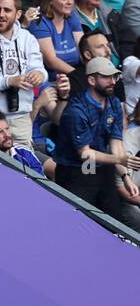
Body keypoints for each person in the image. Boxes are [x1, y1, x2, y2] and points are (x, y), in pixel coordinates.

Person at [52, 56, 140, 216]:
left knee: (113, 216)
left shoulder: (114, 103)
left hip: (101, 165)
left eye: (114, 77)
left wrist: (126, 176)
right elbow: (86, 154)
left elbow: (116, 146)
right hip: (75, 169)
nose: (112, 81)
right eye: (106, 77)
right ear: (92, 80)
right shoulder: (76, 110)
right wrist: (120, 160)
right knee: (82, 219)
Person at [0, 0, 48, 146]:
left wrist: (39, 75)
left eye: (7, 10)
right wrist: (9, 81)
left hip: (21, 118)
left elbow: (41, 70)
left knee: (23, 160)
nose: (1, 14)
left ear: (18, 14)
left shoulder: (27, 38)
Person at [30, 0, 85, 78]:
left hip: (73, 75)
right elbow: (51, 61)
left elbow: (83, 50)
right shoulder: (39, 21)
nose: (70, 2)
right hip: (51, 79)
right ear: (50, 0)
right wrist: (79, 76)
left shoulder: (72, 16)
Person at [0, 108, 48, 176]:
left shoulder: (25, 152)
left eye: (7, 129)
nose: (7, 135)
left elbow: (41, 180)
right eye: (0, 132)